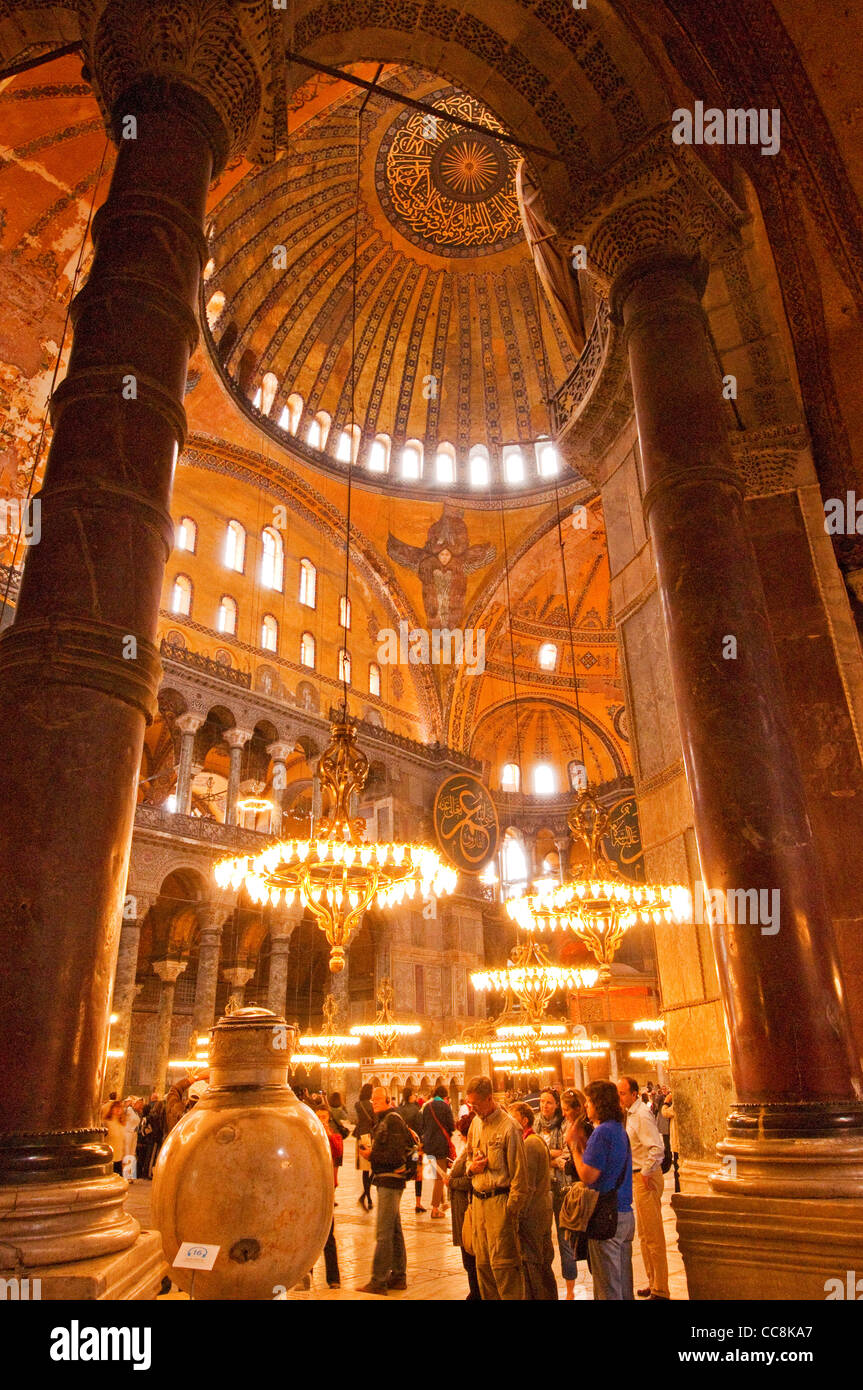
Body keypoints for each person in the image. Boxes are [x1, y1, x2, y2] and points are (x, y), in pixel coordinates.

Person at [464, 1075, 528, 1300]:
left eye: (477, 1104)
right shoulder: (475, 1124)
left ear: (489, 1098)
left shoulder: (509, 1127)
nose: (474, 1109)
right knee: (483, 1267)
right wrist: (472, 1168)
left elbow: (520, 1177)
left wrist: (510, 1211)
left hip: (499, 1204)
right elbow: (467, 1160)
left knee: (504, 1267)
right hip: (479, 1204)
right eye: (471, 1104)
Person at [569, 1079, 634, 1301]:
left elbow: (588, 1175)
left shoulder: (602, 1132)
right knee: (624, 1284)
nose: (586, 1106)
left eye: (589, 1101)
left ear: (599, 1103)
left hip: (607, 1217)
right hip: (624, 1213)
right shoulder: (618, 1130)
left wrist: (574, 1148)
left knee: (608, 1288)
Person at [357, 1087, 413, 1295]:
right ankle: (398, 1276)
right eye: (373, 1100)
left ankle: (378, 1280)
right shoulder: (383, 1121)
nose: (375, 1102)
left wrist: (372, 1156)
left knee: (383, 1233)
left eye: (379, 1099)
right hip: (385, 1180)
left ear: (389, 1099)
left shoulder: (393, 1120)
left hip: (391, 1180)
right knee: (395, 1231)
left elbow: (395, 1155)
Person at [618, 1075, 669, 1300]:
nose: (619, 1097)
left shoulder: (641, 1115)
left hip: (645, 1177)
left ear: (634, 1094)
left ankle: (661, 1288)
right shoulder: (630, 1115)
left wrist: (647, 1172)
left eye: (622, 1093)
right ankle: (652, 1280)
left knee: (654, 1235)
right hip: (637, 1177)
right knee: (644, 1236)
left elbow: (657, 1147)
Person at [509, 1102, 558, 1299]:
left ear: (524, 1120)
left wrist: (516, 1213)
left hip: (532, 1215)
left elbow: (526, 1186)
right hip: (542, 1210)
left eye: (513, 1118)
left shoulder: (529, 1144)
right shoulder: (535, 1140)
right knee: (542, 1261)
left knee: (533, 1264)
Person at [535, 1088, 579, 1298]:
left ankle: (570, 1291)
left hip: (561, 1187)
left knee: (565, 1240)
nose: (545, 1106)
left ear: (557, 1105)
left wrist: (544, 1155)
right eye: (542, 1102)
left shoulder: (565, 1125)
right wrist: (552, 1156)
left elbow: (567, 1155)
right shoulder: (536, 1124)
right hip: (541, 1189)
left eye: (550, 1102)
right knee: (542, 1238)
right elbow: (531, 1153)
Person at [445, 1148, 480, 1300]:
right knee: (467, 1256)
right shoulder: (466, 1150)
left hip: (467, 1209)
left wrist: (451, 1182)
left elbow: (470, 1180)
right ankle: (474, 1292)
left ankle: (476, 1293)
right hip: (460, 1209)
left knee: (470, 1253)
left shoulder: (472, 1152)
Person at [315, 1102, 343, 1289]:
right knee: (307, 1234)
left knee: (328, 1233)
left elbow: (338, 1152)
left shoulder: (335, 1136)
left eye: (324, 1117)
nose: (322, 1120)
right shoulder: (309, 1135)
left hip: (327, 1189)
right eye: (318, 1117)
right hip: (310, 1189)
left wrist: (329, 1134)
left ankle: (333, 1278)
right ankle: (305, 1274)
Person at [421, 1082, 455, 1219]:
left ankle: (443, 1202)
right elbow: (451, 1126)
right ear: (445, 1095)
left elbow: (422, 1125)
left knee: (437, 1174)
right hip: (440, 1145)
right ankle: (435, 1209)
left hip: (428, 1145)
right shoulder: (445, 1106)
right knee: (440, 1178)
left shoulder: (427, 1106)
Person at [398, 1085, 426, 1212]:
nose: (416, 1096)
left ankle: (397, 1202)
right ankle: (418, 1203)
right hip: (415, 1148)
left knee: (402, 1172)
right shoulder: (417, 1110)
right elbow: (420, 1129)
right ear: (410, 1096)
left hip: (402, 1147)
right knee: (418, 1173)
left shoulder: (399, 1110)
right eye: (414, 1094)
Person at [354, 1082, 375, 1211]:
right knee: (373, 1168)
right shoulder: (372, 1106)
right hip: (370, 1137)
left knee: (365, 1170)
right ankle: (366, 1196)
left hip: (360, 1137)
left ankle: (366, 1197)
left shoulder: (358, 1104)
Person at [662, 1091, 680, 1193]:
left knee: (677, 1170)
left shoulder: (677, 1103)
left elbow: (665, 1112)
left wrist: (666, 1101)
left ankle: (679, 1193)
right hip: (678, 1142)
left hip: (677, 1143)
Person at [105, 1101, 126, 1176]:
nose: (118, 1109)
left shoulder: (121, 1124)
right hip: (109, 1159)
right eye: (115, 1107)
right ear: (111, 1109)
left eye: (120, 1107)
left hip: (119, 1157)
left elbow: (122, 1142)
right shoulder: (106, 1123)